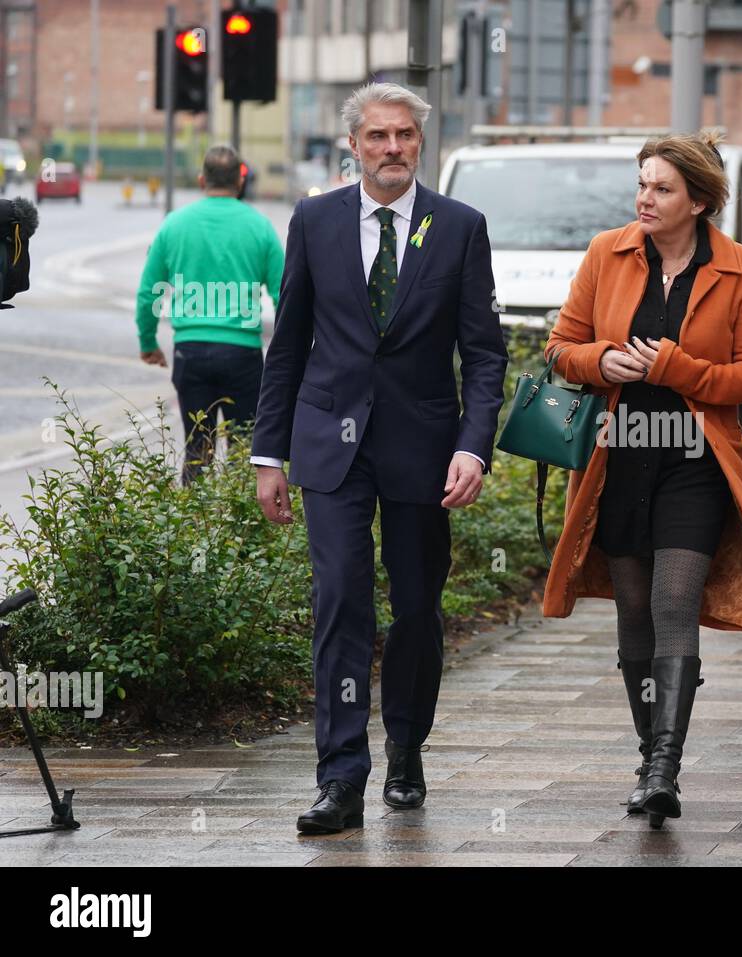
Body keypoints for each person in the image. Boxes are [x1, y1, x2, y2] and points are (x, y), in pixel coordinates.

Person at [251, 82, 507, 834]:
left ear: (419, 143)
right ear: (353, 145)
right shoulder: (314, 219)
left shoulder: (459, 226)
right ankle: (340, 775)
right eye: (377, 137)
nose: (392, 148)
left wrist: (473, 447)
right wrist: (270, 454)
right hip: (328, 446)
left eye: (404, 136)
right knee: (340, 601)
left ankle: (405, 743)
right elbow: (288, 342)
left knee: (418, 607)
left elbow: (484, 355)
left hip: (425, 450)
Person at [541, 130, 742, 826]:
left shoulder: (741, 270)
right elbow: (561, 347)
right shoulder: (606, 253)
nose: (645, 198)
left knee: (675, 600)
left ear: (699, 201)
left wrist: (681, 370)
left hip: (696, 461)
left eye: (662, 188)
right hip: (619, 458)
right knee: (634, 610)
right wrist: (601, 361)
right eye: (643, 184)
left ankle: (663, 765)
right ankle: (651, 751)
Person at [135, 145, 284, 483]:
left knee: (197, 450)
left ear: (202, 180)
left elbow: (149, 293)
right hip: (243, 356)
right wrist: (287, 354)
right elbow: (284, 297)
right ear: (240, 181)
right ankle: (241, 531)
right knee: (246, 453)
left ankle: (192, 527)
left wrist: (148, 341)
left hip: (191, 352)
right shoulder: (260, 227)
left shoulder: (174, 225)